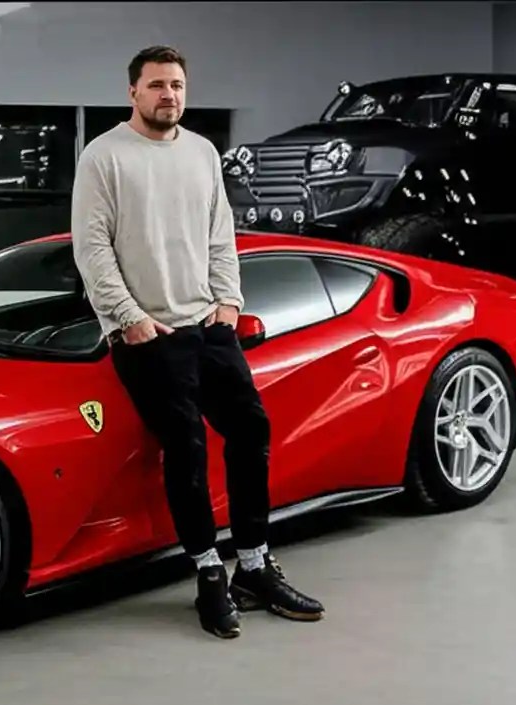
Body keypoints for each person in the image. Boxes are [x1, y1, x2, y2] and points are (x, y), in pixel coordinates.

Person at [71, 45, 324, 639]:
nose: (170, 95)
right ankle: (209, 574)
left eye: (178, 85)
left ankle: (254, 566)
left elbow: (219, 234)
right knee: (185, 448)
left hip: (207, 325)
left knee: (251, 430)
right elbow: (93, 247)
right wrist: (128, 317)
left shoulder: (203, 152)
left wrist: (229, 301)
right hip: (147, 332)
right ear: (132, 92)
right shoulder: (104, 156)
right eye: (157, 85)